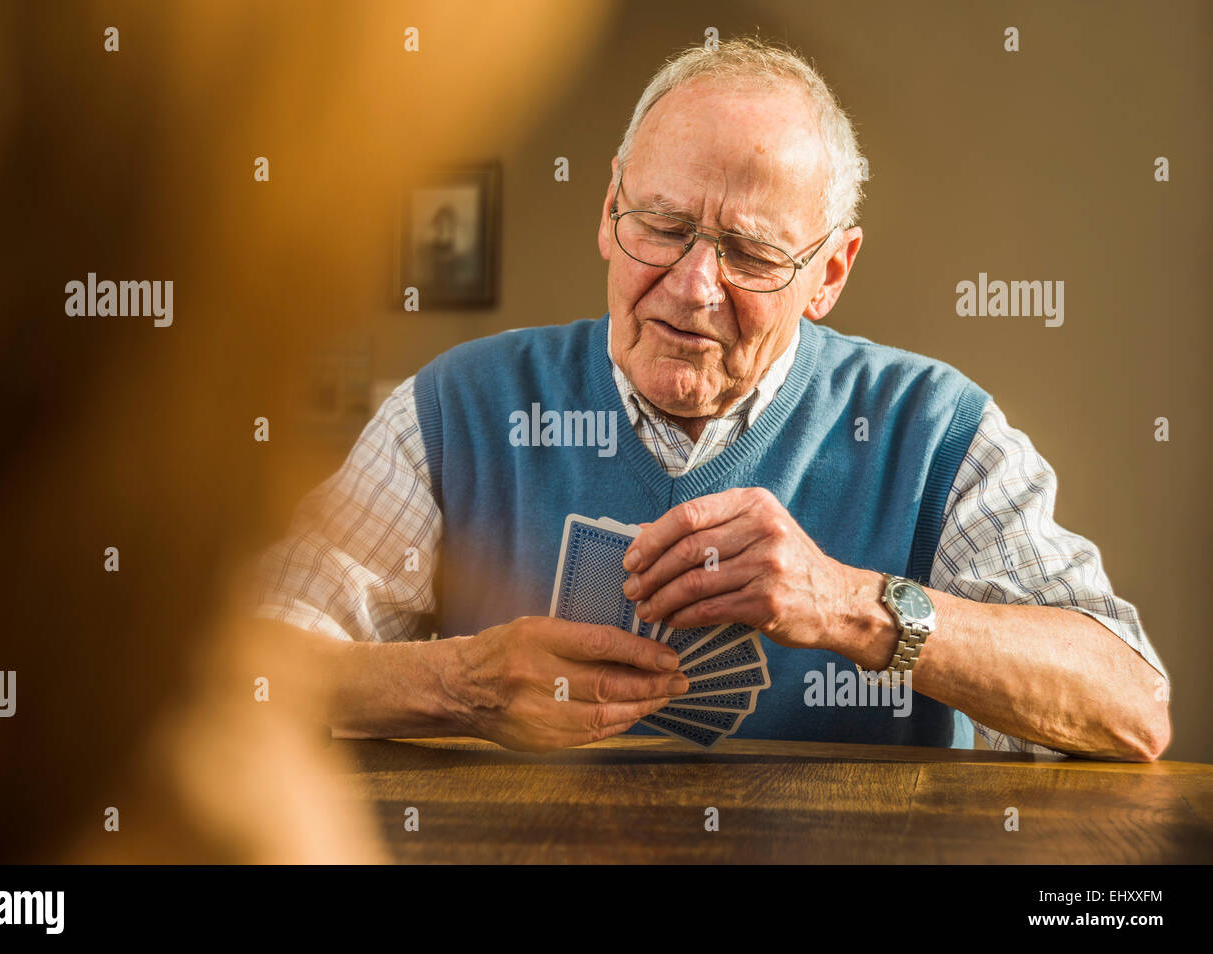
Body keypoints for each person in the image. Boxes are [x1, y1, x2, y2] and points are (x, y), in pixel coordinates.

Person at [250, 38, 1169, 761]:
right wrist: (463, 682)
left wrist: (853, 606)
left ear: (830, 273)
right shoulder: (454, 410)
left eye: (753, 254)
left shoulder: (935, 431)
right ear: (609, 209)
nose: (693, 286)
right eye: (662, 225)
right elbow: (245, 679)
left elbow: (1132, 709)